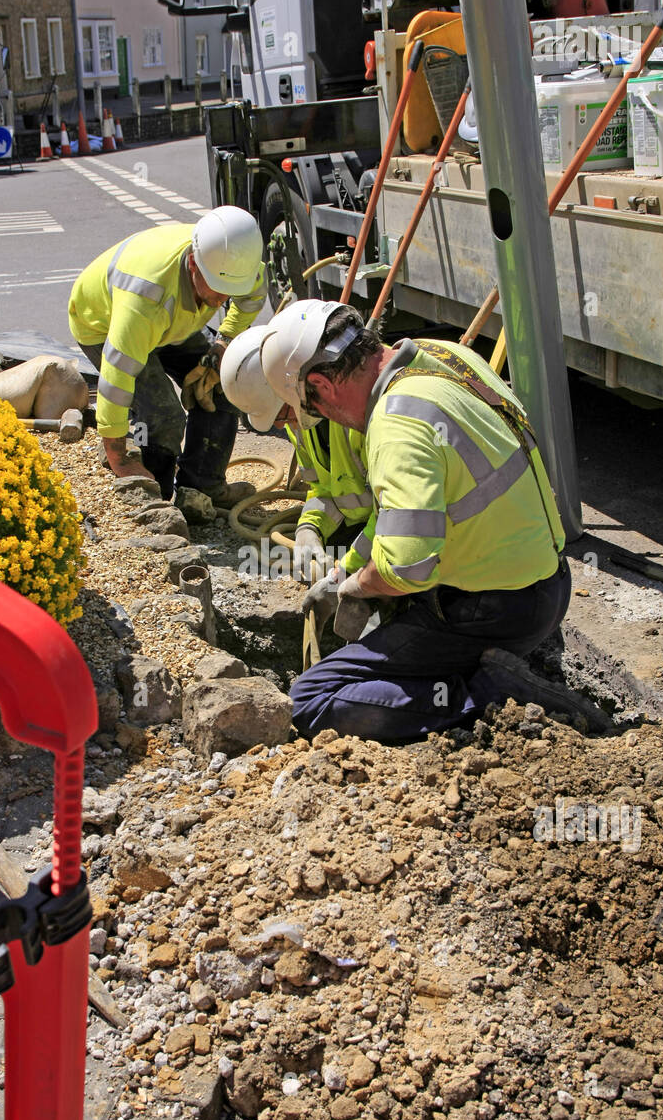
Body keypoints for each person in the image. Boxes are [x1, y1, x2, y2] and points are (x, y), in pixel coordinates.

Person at [248, 299, 578, 743]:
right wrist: (344, 571)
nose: (323, 420)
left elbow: (407, 569)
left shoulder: (397, 421)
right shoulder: (441, 355)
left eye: (312, 408)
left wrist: (356, 587)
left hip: (496, 609)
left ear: (323, 385)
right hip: (544, 583)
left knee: (311, 700)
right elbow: (400, 521)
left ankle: (491, 694)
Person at [68, 206, 267, 505]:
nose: (221, 299)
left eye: (230, 291)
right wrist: (118, 456)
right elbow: (117, 377)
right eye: (216, 290)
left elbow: (253, 296)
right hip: (103, 324)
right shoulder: (145, 299)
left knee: (225, 380)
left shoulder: (233, 261)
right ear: (192, 264)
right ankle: (156, 499)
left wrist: (223, 342)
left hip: (173, 322)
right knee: (163, 415)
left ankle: (201, 489)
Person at [221, 326, 374, 582]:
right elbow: (323, 490)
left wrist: (352, 570)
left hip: (407, 530)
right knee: (325, 570)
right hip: (366, 521)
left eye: (279, 413)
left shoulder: (359, 419)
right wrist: (309, 526)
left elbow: (398, 516)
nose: (280, 426)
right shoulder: (301, 423)